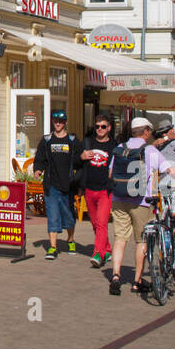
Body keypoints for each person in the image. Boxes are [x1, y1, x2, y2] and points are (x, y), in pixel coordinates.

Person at [107, 117, 175, 295]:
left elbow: (111, 173)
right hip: (141, 202)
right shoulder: (150, 150)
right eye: (150, 131)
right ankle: (137, 281)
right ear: (145, 132)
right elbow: (170, 170)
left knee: (120, 238)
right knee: (141, 241)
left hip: (119, 199)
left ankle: (115, 275)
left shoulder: (119, 149)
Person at [33, 110, 83, 259]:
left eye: (61, 121)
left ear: (66, 122)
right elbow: (40, 158)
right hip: (51, 185)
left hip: (68, 185)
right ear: (53, 122)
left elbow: (80, 162)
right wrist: (38, 170)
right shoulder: (47, 140)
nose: (58, 123)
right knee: (53, 215)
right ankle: (52, 247)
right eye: (56, 121)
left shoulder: (73, 140)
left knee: (68, 217)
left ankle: (70, 239)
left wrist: (80, 184)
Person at [80, 114, 117, 269]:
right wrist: (81, 156)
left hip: (105, 190)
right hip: (89, 188)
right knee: (95, 223)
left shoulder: (114, 146)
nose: (100, 129)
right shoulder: (88, 142)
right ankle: (107, 249)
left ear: (109, 128)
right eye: (97, 126)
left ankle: (98, 254)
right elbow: (75, 160)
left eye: (103, 126)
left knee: (102, 223)